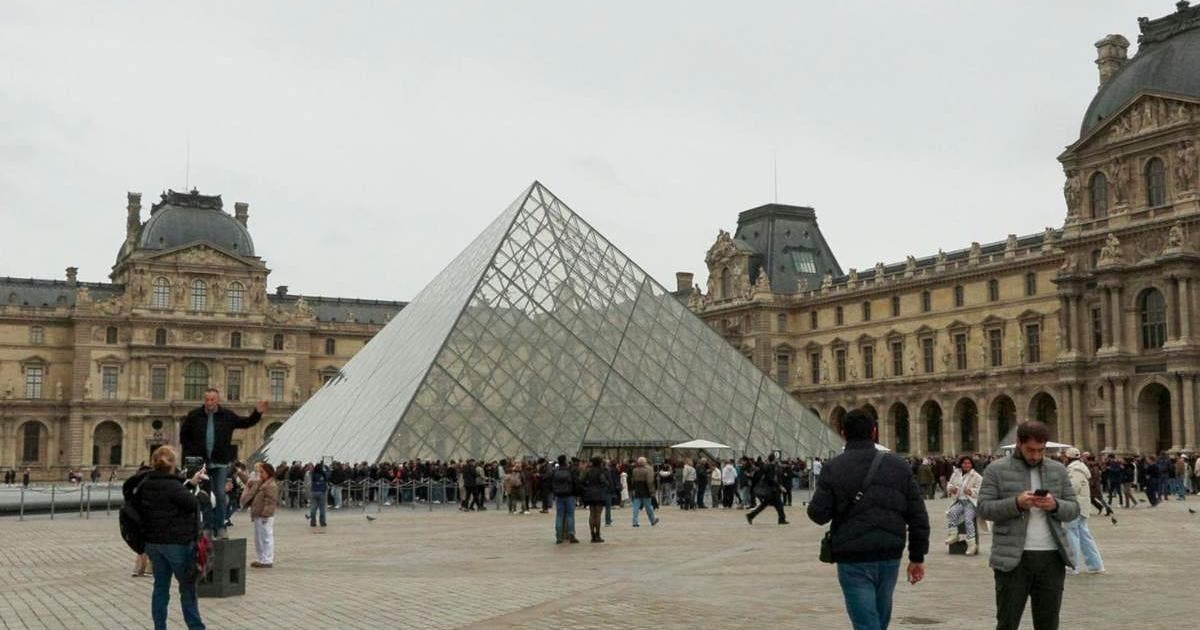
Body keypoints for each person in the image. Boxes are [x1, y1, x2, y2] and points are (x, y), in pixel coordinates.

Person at [807, 408, 929, 630]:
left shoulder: (833, 468)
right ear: (874, 432)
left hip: (853, 557)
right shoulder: (899, 466)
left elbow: (818, 514)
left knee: (867, 624)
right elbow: (918, 515)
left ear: (843, 432)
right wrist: (917, 557)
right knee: (878, 622)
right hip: (890, 554)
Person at [977, 420, 1079, 630]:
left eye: (1040, 450)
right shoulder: (995, 470)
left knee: (1048, 623)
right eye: (1030, 450)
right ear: (1018, 444)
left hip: (1051, 557)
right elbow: (984, 509)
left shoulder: (1058, 470)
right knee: (1007, 622)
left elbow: (1074, 509)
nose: (1035, 455)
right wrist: (1016, 503)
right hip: (1013, 559)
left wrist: (1055, 505)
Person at [127, 445, 207, 630]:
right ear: (173, 465)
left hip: (153, 544)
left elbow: (165, 498)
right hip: (176, 544)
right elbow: (192, 504)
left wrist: (190, 483)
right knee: (187, 588)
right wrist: (200, 493)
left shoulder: (145, 484)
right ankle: (196, 627)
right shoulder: (173, 486)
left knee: (160, 588)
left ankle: (159, 627)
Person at [179, 388, 268, 538]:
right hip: (202, 464)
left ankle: (220, 526)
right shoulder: (194, 415)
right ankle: (207, 526)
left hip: (220, 462)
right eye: (207, 399)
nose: (209, 402)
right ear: (204, 400)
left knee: (220, 495)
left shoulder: (227, 415)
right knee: (205, 496)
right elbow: (184, 436)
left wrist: (257, 413)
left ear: (218, 400)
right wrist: (190, 455)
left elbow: (246, 422)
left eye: (212, 399)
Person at [1062, 448, 1104, 575]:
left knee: (1072, 535)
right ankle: (1095, 564)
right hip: (1082, 505)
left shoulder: (1074, 470)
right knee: (1084, 536)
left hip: (1075, 506)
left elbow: (1073, 488)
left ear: (1068, 458)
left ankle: (1072, 565)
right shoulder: (1080, 468)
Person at [239, 461, 278, 568]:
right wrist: (239, 473)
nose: (261, 474)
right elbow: (249, 482)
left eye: (262, 472)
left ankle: (267, 559)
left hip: (264, 515)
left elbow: (271, 502)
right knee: (259, 538)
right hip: (258, 514)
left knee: (266, 537)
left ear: (268, 472)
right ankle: (262, 558)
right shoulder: (261, 482)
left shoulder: (271, 485)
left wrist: (266, 514)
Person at [944, 455, 982, 555]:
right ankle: (953, 534)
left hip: (970, 502)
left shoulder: (977, 476)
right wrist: (951, 489)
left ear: (972, 465)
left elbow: (980, 490)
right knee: (951, 513)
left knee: (968, 520)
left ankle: (972, 545)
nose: (966, 465)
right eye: (964, 463)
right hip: (959, 500)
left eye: (969, 463)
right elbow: (949, 484)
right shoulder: (956, 473)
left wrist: (971, 492)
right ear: (961, 464)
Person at [745, 453, 788, 525]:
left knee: (770, 505)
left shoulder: (767, 466)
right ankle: (781, 519)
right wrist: (779, 486)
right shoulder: (770, 467)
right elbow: (770, 479)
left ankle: (751, 516)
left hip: (770, 490)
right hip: (771, 490)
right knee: (776, 504)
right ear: (774, 459)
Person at [549, 455, 579, 544]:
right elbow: (575, 482)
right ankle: (571, 535)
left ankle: (559, 537)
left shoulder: (555, 472)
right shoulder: (570, 471)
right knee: (570, 515)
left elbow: (551, 483)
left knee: (559, 516)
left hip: (559, 496)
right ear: (565, 461)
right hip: (569, 495)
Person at [581, 457, 612, 543]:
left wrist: (586, 488)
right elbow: (604, 482)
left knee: (591, 514)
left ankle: (592, 534)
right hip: (599, 494)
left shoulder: (588, 471)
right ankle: (597, 535)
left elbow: (582, 480)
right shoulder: (601, 472)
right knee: (598, 515)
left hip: (590, 493)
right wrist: (607, 484)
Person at [629, 456, 659, 527]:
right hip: (645, 489)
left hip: (637, 489)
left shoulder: (634, 470)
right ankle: (652, 520)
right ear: (644, 463)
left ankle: (634, 522)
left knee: (636, 507)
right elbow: (649, 481)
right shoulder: (647, 470)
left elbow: (632, 480)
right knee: (648, 506)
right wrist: (652, 491)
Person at [308, 462, 329, 530]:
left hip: (314, 492)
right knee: (322, 509)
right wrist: (327, 468)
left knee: (313, 508)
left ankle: (313, 522)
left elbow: (310, 474)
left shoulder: (313, 475)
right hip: (322, 492)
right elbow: (328, 475)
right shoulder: (323, 474)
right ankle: (322, 522)